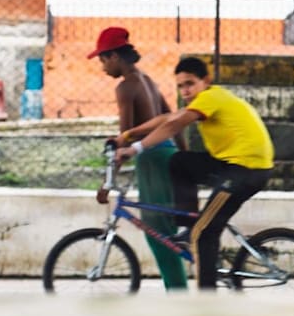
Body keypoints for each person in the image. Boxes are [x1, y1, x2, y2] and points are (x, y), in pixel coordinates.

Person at [115, 57, 274, 292]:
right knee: (179, 162)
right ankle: (187, 227)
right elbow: (166, 118)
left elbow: (173, 126)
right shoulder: (207, 99)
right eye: (180, 86)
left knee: (204, 234)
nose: (185, 91)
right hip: (231, 164)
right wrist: (128, 135)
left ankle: (205, 303)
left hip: (246, 170)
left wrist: (136, 148)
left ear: (206, 81)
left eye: (190, 84)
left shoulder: (211, 97)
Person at [90, 26, 188, 291]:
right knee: (166, 230)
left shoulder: (125, 88)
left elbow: (126, 138)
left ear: (114, 57)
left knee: (159, 234)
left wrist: (105, 183)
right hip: (167, 153)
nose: (102, 67)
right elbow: (174, 120)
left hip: (152, 157)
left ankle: (178, 295)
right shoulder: (148, 80)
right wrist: (183, 158)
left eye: (102, 59)